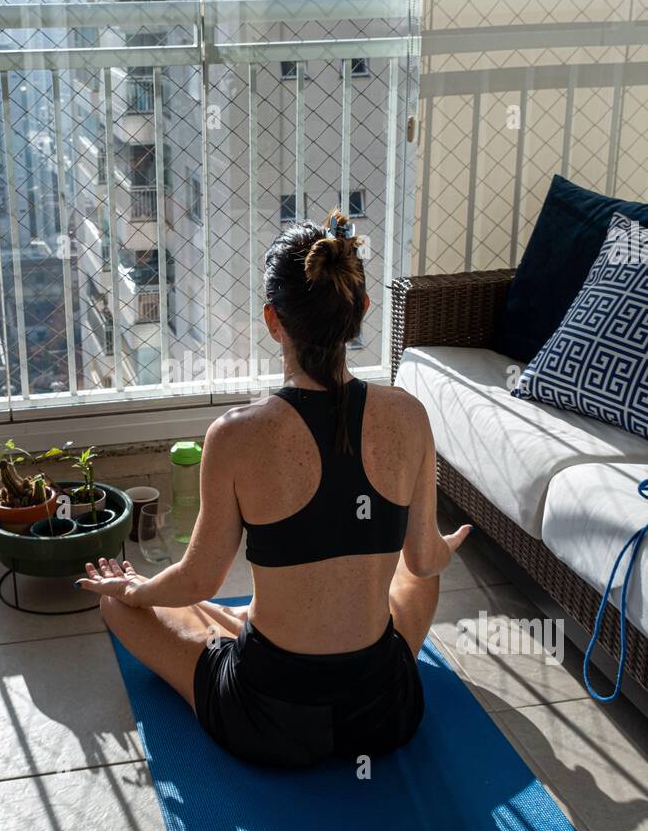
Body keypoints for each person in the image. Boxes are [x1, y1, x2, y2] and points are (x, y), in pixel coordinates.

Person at [78, 210, 470, 768]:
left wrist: (138, 591)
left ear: (272, 320)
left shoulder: (235, 435)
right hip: (386, 711)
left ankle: (238, 623)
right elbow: (425, 560)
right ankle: (244, 622)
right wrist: (442, 549)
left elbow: (197, 579)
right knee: (421, 575)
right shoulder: (409, 415)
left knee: (120, 609)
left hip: (269, 718)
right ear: (359, 311)